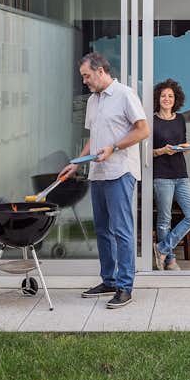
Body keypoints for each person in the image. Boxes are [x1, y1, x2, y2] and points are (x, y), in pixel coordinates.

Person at [59, 52, 149, 308]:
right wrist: (75, 163)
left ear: (100, 71)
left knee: (122, 230)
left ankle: (125, 287)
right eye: (83, 77)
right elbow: (93, 138)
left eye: (87, 76)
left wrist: (115, 147)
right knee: (102, 231)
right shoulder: (93, 101)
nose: (84, 81)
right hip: (97, 173)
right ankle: (109, 280)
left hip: (120, 171)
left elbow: (143, 130)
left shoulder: (125, 94)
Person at [152, 78, 190, 271]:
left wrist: (184, 147)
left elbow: (185, 144)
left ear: (175, 99)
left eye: (170, 96)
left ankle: (162, 248)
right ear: (158, 98)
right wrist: (161, 151)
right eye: (163, 95)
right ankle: (169, 260)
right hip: (161, 175)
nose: (166, 99)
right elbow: (146, 152)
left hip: (181, 174)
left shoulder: (180, 119)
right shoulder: (152, 120)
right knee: (164, 220)